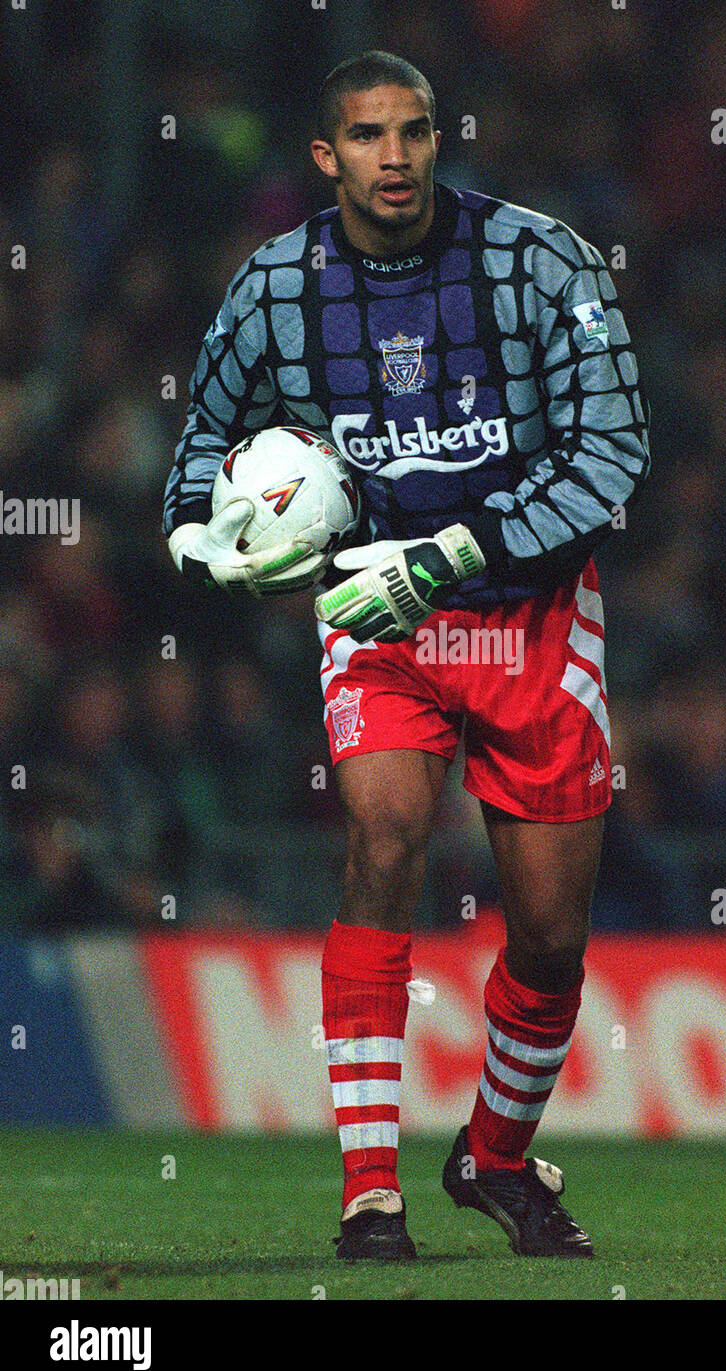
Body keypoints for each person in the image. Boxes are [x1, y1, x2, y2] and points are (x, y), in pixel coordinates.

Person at [163, 50, 650, 1260]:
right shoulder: (275, 287)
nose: (397, 157)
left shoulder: (543, 261)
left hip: (529, 613)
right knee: (384, 832)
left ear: (440, 139)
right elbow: (202, 436)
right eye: (371, 137)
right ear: (327, 157)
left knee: (547, 934)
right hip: (379, 622)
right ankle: (368, 1194)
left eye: (416, 132)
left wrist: (442, 558)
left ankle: (492, 1156)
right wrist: (190, 531)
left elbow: (613, 454)